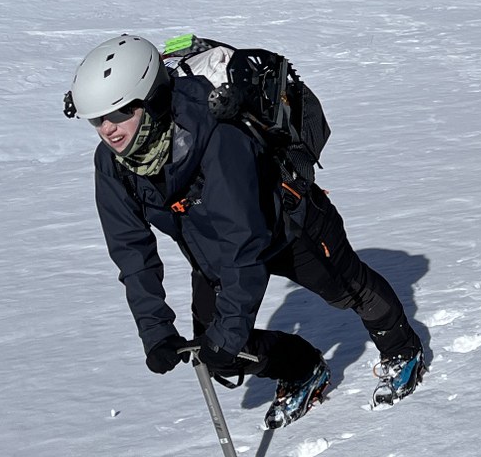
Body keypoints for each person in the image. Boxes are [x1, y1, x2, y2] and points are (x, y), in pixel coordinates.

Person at [72, 34, 427, 426]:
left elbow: (245, 239)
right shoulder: (114, 164)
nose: (109, 129)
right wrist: (155, 330)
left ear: (152, 99)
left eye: (121, 112)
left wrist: (230, 328)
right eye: (97, 119)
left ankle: (401, 348)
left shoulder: (214, 137)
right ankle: (301, 369)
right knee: (217, 352)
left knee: (347, 288)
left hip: (290, 225)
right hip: (215, 250)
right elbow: (131, 251)